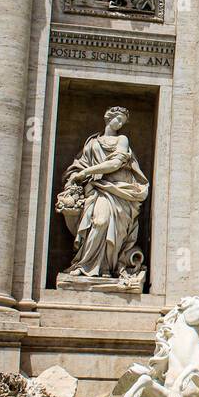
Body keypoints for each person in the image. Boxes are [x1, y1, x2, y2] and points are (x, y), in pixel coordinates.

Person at [57, 107, 149, 281]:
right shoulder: (92, 143)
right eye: (118, 119)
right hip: (96, 189)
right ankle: (85, 265)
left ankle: (106, 267)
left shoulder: (122, 139)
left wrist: (86, 172)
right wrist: (75, 177)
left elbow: (115, 163)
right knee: (98, 222)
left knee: (105, 223)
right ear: (108, 117)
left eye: (123, 121)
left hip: (119, 191)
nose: (120, 123)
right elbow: (79, 165)